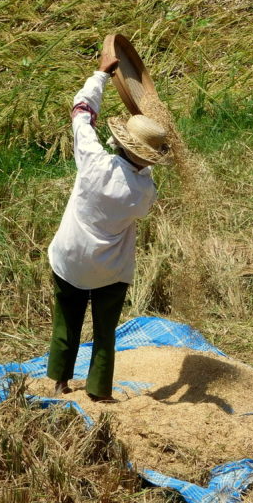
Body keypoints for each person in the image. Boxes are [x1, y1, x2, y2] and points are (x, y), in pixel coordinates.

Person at [46, 52, 172, 402]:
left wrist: (101, 75)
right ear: (148, 158)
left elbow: (81, 112)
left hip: (70, 258)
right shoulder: (145, 190)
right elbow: (142, 184)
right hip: (111, 270)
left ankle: (59, 381)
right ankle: (99, 391)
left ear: (118, 140)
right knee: (105, 332)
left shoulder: (92, 162)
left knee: (67, 320)